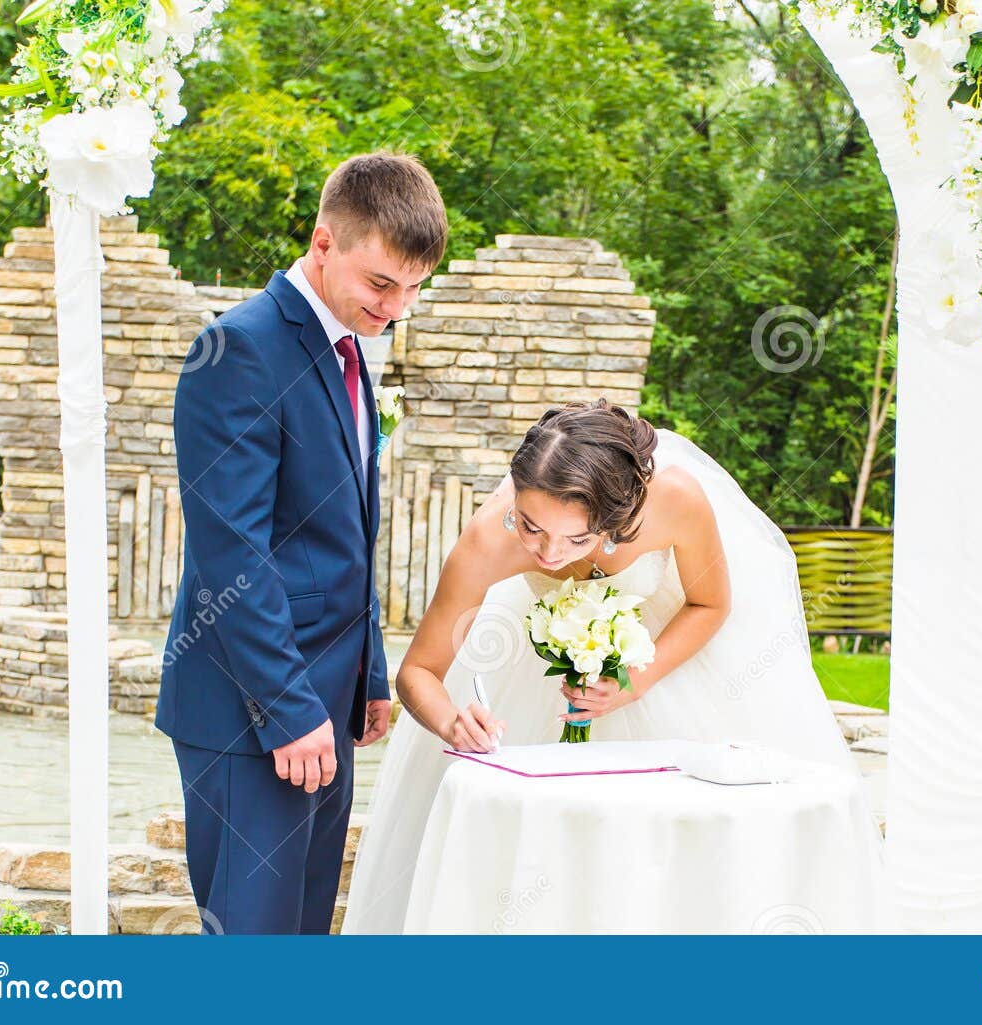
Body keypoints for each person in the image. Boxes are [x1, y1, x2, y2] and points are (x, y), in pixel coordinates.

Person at [341, 398, 862, 933]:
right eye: (530, 526)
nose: (547, 555)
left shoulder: (675, 500)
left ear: (617, 520)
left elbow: (711, 604)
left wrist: (633, 681)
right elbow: (418, 673)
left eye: (577, 538)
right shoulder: (487, 540)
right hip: (528, 676)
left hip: (659, 668)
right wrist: (452, 721)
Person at [157, 152, 446, 934]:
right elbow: (232, 553)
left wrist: (369, 673)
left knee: (303, 940)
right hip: (254, 715)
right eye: (381, 284)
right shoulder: (241, 349)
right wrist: (287, 708)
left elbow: (340, 530)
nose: (396, 308)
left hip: (327, 702)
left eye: (414, 289)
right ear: (324, 244)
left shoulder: (350, 346)